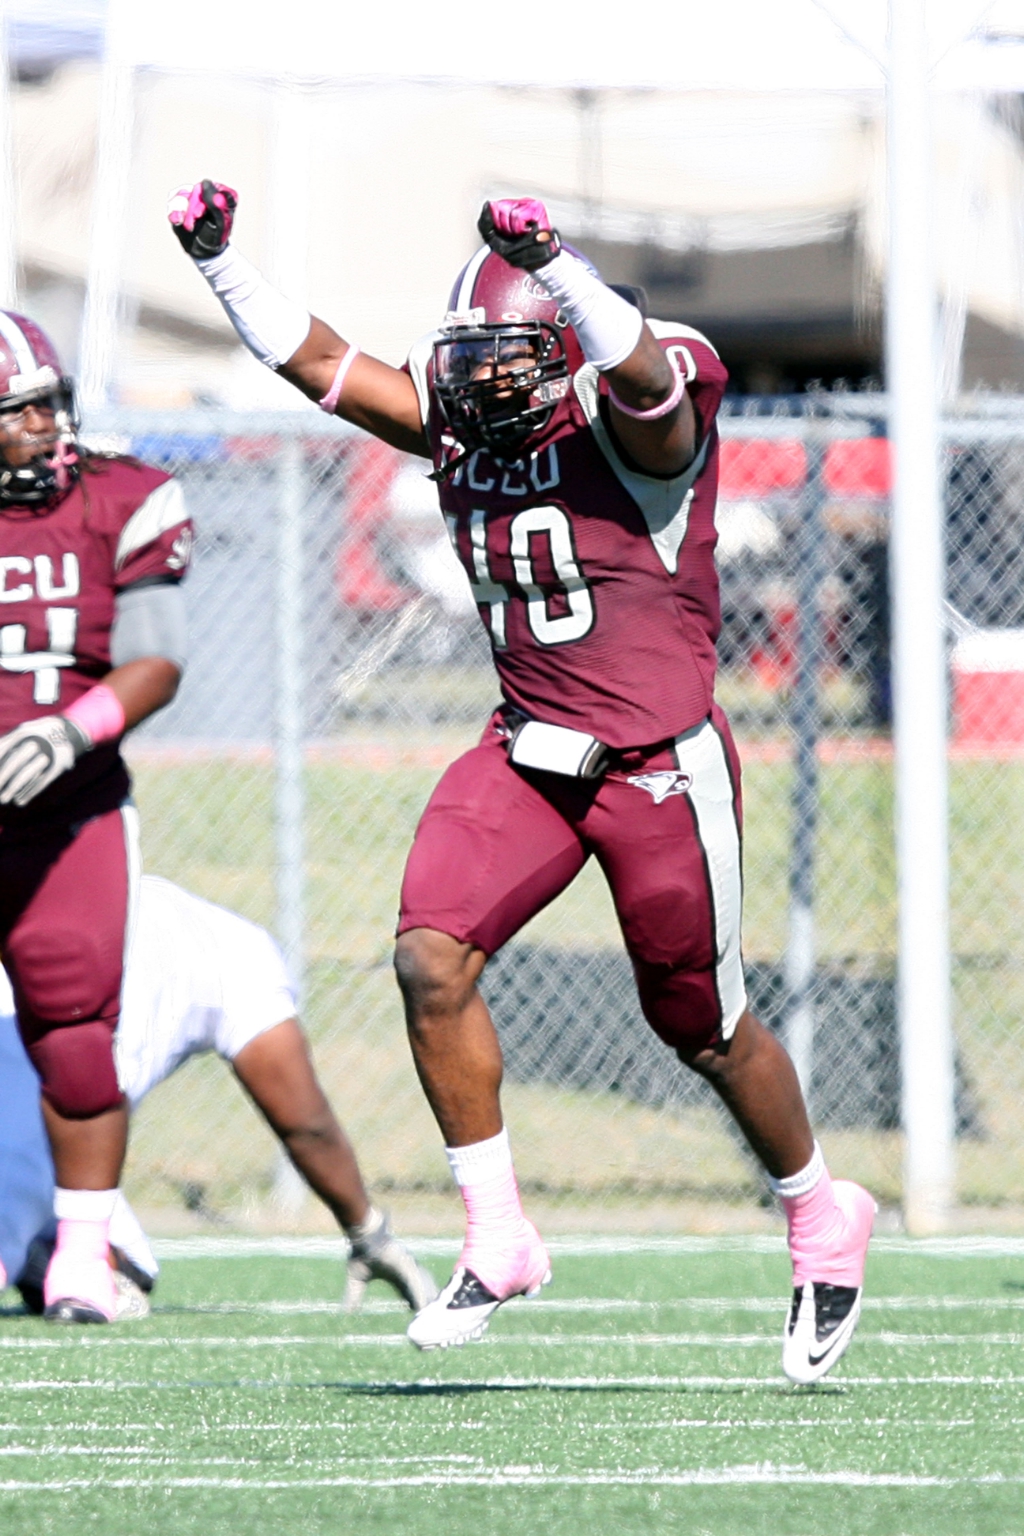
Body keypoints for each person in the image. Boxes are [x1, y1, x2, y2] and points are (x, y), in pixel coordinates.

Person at [169, 182, 875, 1383]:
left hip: (657, 765)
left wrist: (558, 263)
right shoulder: (452, 423)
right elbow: (325, 365)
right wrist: (222, 263)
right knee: (427, 957)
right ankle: (497, 1234)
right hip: (527, 746)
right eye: (472, 362)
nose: (485, 384)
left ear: (562, 350)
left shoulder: (634, 432)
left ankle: (818, 1210)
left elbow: (652, 388)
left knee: (700, 1023)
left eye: (510, 361)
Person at [0, 874, 438, 1319]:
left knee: (35, 1187)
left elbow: (305, 1123)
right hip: (56, 994)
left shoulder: (230, 957)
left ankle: (73, 1251)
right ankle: (71, 1249)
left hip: (52, 1040)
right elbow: (307, 1124)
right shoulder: (235, 954)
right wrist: (369, 1233)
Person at [0, 313, 192, 1325]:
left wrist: (68, 734)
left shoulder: (123, 496)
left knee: (74, 1032)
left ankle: (78, 1256)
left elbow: (156, 659)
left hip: (65, 810)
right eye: (16, 412)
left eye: (48, 405)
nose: (44, 428)